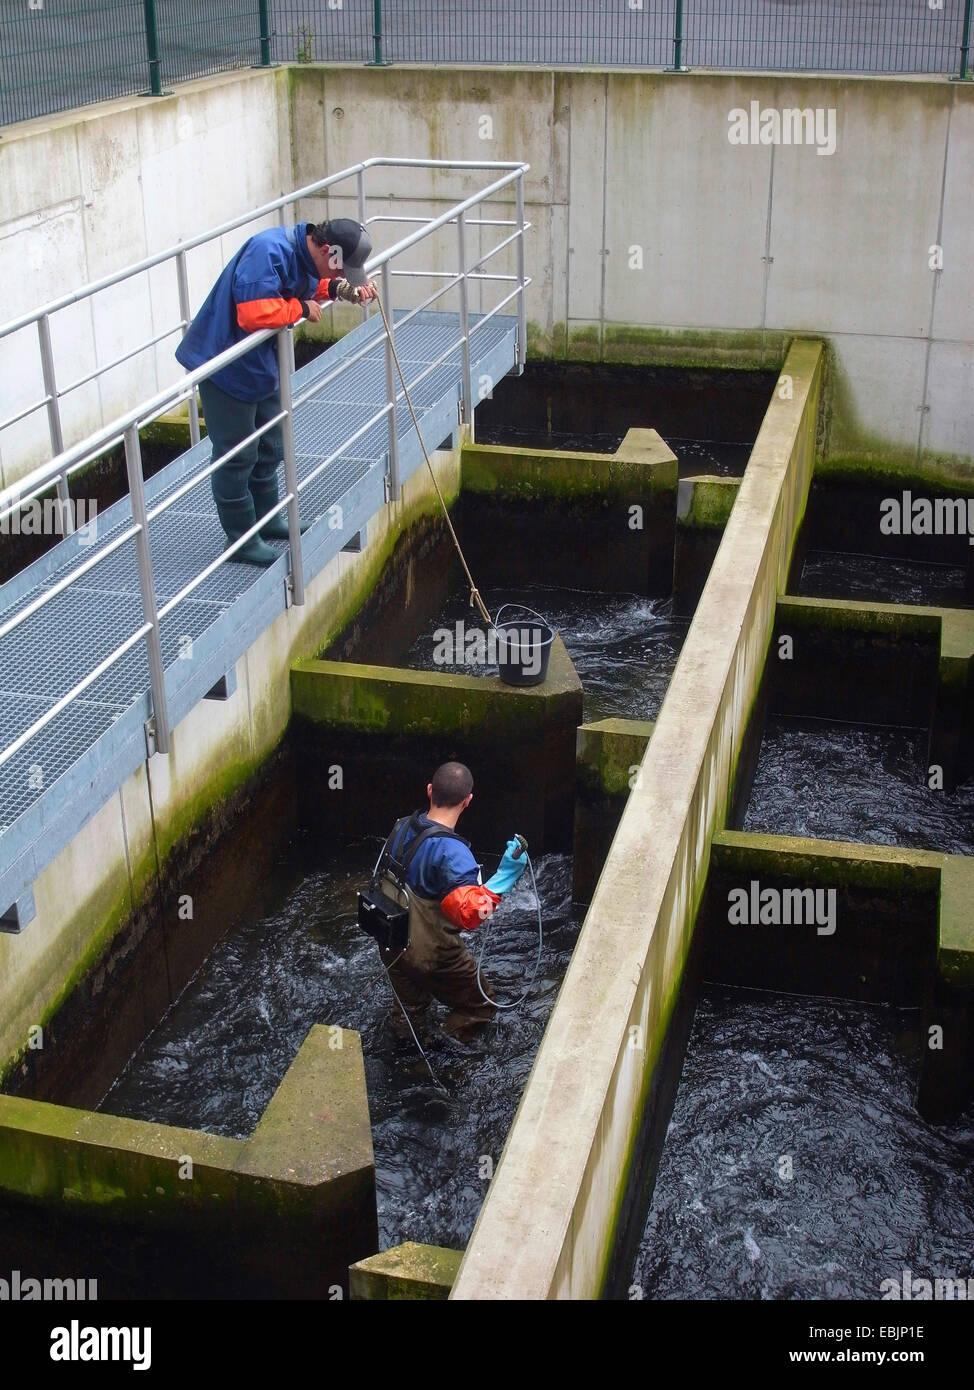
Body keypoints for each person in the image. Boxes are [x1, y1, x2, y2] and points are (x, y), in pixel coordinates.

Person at [175, 218, 378, 565]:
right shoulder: (268, 251)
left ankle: (269, 521)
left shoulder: (304, 254)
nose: (338, 273)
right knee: (237, 454)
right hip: (225, 364)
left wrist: (343, 291)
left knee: (271, 444)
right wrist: (299, 309)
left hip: (259, 364)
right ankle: (240, 539)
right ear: (330, 253)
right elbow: (253, 312)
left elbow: (310, 284)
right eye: (341, 269)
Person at [377, 761, 527, 1042]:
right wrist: (504, 877)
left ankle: (406, 1058)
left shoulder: (401, 827)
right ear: (468, 801)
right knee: (481, 1004)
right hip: (430, 956)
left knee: (411, 1008)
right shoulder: (453, 853)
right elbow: (471, 915)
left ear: (430, 790)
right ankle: (446, 1056)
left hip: (390, 939)